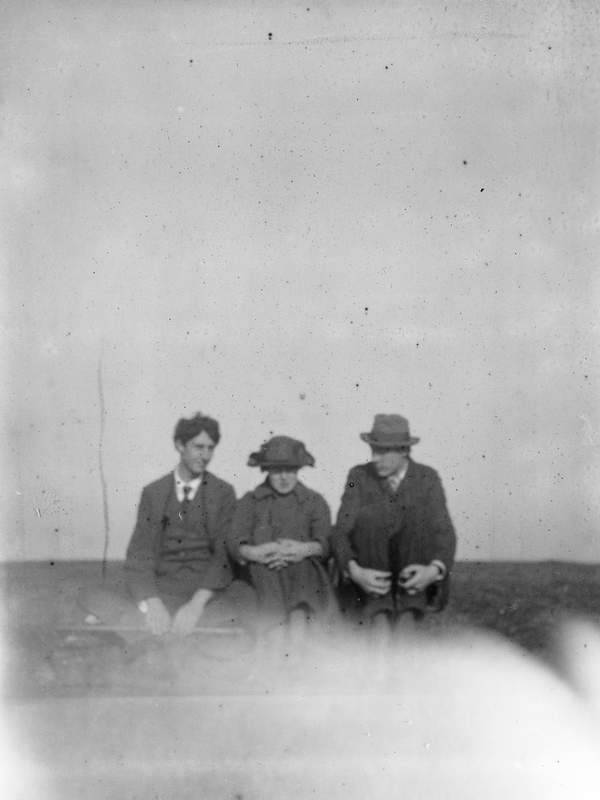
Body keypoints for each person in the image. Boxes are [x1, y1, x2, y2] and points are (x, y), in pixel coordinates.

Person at [82, 412, 254, 637]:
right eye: (198, 447)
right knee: (88, 594)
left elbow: (223, 556)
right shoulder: (154, 493)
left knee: (247, 597)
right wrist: (153, 602)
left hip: (205, 593)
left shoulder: (222, 492)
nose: (205, 455)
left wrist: (195, 606)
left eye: (210, 448)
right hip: (163, 589)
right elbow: (140, 552)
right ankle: (160, 621)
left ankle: (155, 627)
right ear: (179, 445)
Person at [331, 414, 456, 634]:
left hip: (415, 575)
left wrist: (433, 570)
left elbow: (444, 531)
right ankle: (378, 612)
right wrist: (354, 571)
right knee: (369, 519)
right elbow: (341, 530)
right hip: (367, 575)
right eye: (373, 451)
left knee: (416, 519)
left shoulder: (428, 478)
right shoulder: (357, 476)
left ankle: (409, 610)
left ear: (404, 451)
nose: (376, 458)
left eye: (383, 451)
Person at [228, 436, 334, 642]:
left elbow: (327, 541)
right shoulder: (250, 501)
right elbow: (233, 539)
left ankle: (297, 638)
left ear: (299, 470)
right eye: (277, 471)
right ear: (266, 471)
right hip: (263, 575)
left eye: (291, 470)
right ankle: (274, 645)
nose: (284, 477)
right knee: (263, 573)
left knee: (303, 569)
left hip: (305, 579)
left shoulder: (314, 501)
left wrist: (305, 549)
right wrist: (253, 552)